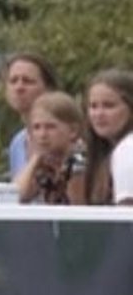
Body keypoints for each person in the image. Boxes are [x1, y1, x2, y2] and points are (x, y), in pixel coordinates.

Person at [12, 91, 86, 206]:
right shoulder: (46, 165)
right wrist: (35, 159)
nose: (42, 134)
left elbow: (78, 211)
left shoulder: (78, 161)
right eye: (36, 127)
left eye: (50, 127)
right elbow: (16, 197)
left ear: (73, 131)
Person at [0, 52, 58, 176]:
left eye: (28, 81)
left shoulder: (60, 135)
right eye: (13, 81)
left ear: (48, 88)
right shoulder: (17, 143)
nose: (19, 87)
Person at [81, 69, 133, 206]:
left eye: (109, 106)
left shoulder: (128, 148)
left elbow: (126, 218)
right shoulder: (94, 155)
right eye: (93, 106)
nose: (99, 114)